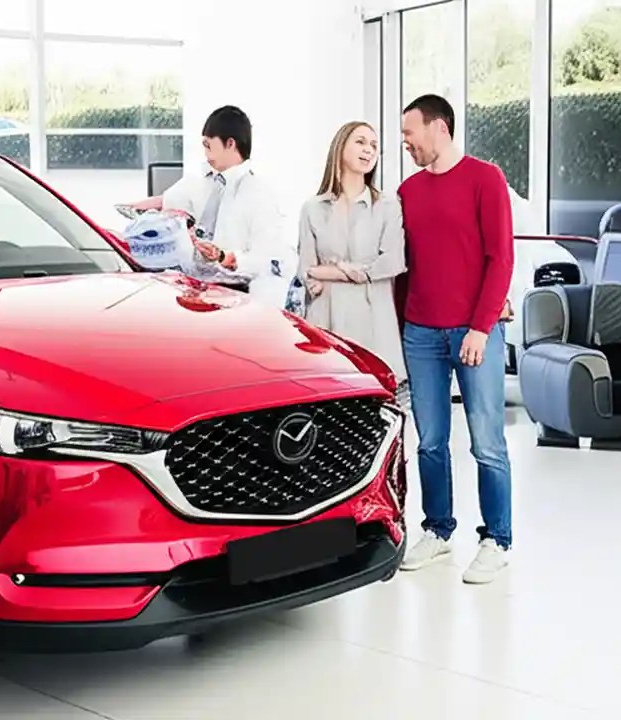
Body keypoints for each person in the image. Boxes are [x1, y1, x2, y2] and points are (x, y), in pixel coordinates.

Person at [396, 94, 515, 585]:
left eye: (410, 133)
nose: (404, 142)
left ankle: (497, 540)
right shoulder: (407, 192)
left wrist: (482, 327)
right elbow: (401, 269)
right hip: (420, 332)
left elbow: (500, 258)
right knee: (430, 442)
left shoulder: (486, 179)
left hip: (475, 332)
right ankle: (439, 530)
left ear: (439, 128)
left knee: (487, 442)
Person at [297, 120, 407, 385]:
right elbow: (307, 270)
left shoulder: (388, 206)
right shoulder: (313, 208)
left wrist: (336, 271)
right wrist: (323, 274)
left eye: (374, 145)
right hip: (326, 321)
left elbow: (393, 262)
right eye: (360, 142)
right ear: (340, 146)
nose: (368, 150)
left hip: (373, 323)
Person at [153, 105, 296, 306]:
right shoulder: (199, 182)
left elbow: (265, 257)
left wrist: (225, 257)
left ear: (230, 144)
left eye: (208, 146)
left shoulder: (259, 194)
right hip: (192, 291)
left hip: (234, 299)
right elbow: (166, 201)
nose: (204, 153)